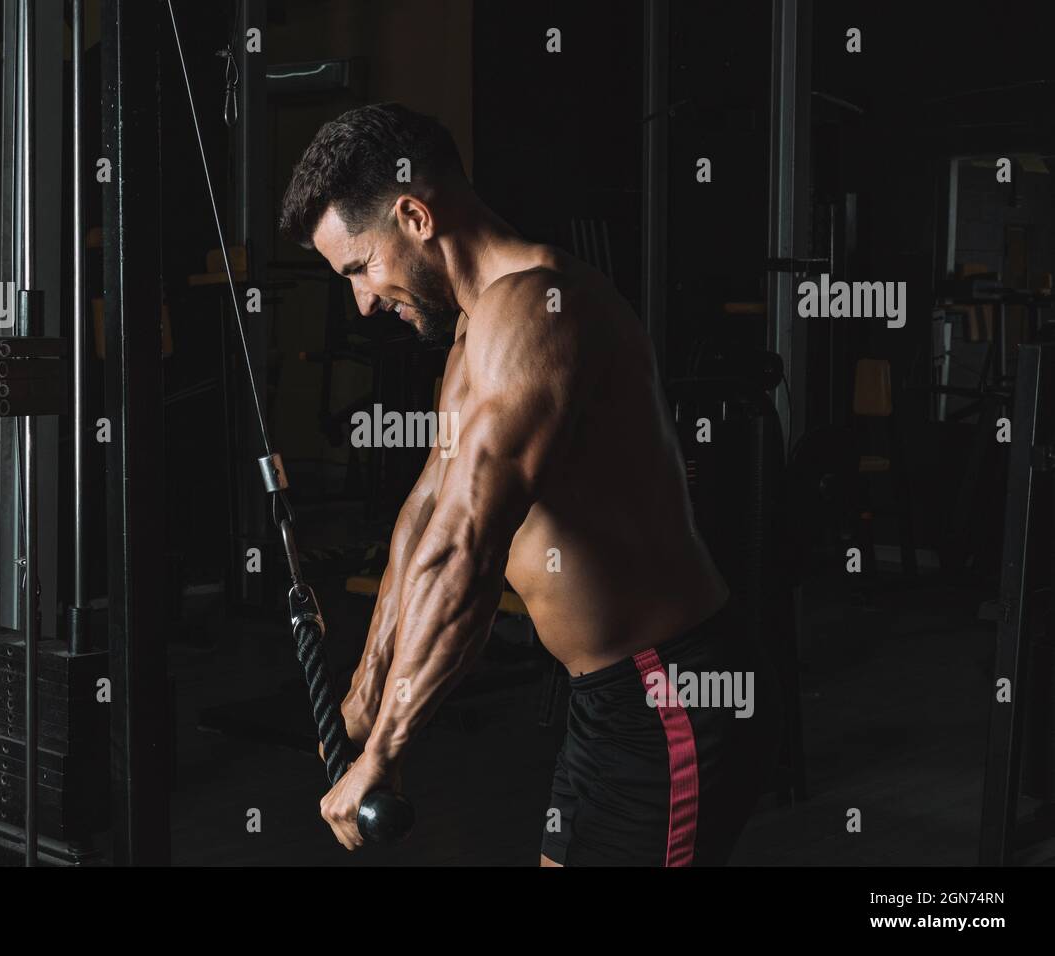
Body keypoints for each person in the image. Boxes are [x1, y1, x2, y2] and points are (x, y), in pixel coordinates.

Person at [279, 103, 780, 865]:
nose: (363, 300)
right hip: (607, 703)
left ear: (414, 214)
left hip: (672, 699)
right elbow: (425, 522)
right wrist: (364, 690)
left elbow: (466, 553)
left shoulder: (542, 311)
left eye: (360, 267)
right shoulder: (475, 332)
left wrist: (386, 748)